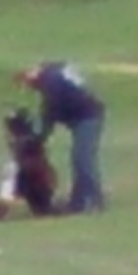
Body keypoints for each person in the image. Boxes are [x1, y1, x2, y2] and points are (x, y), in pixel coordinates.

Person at [17, 60, 107, 213]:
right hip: (84, 114)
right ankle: (80, 199)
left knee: (82, 158)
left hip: (88, 117)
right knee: (80, 158)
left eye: (30, 83)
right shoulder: (52, 71)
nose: (33, 88)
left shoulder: (50, 82)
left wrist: (39, 137)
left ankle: (92, 200)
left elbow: (51, 112)